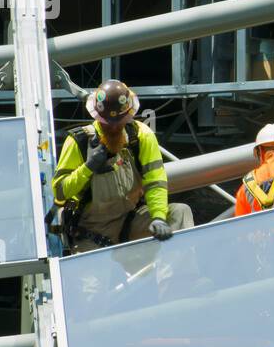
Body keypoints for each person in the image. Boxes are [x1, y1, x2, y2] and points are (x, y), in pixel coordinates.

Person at [52, 80, 194, 253]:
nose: (113, 127)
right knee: (90, 278)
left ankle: (179, 278)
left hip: (131, 219)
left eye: (118, 122)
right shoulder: (78, 142)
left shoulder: (141, 136)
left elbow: (155, 181)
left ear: (128, 116)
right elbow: (59, 192)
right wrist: (88, 168)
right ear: (96, 117)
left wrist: (158, 217)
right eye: (107, 122)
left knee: (180, 213)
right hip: (91, 231)